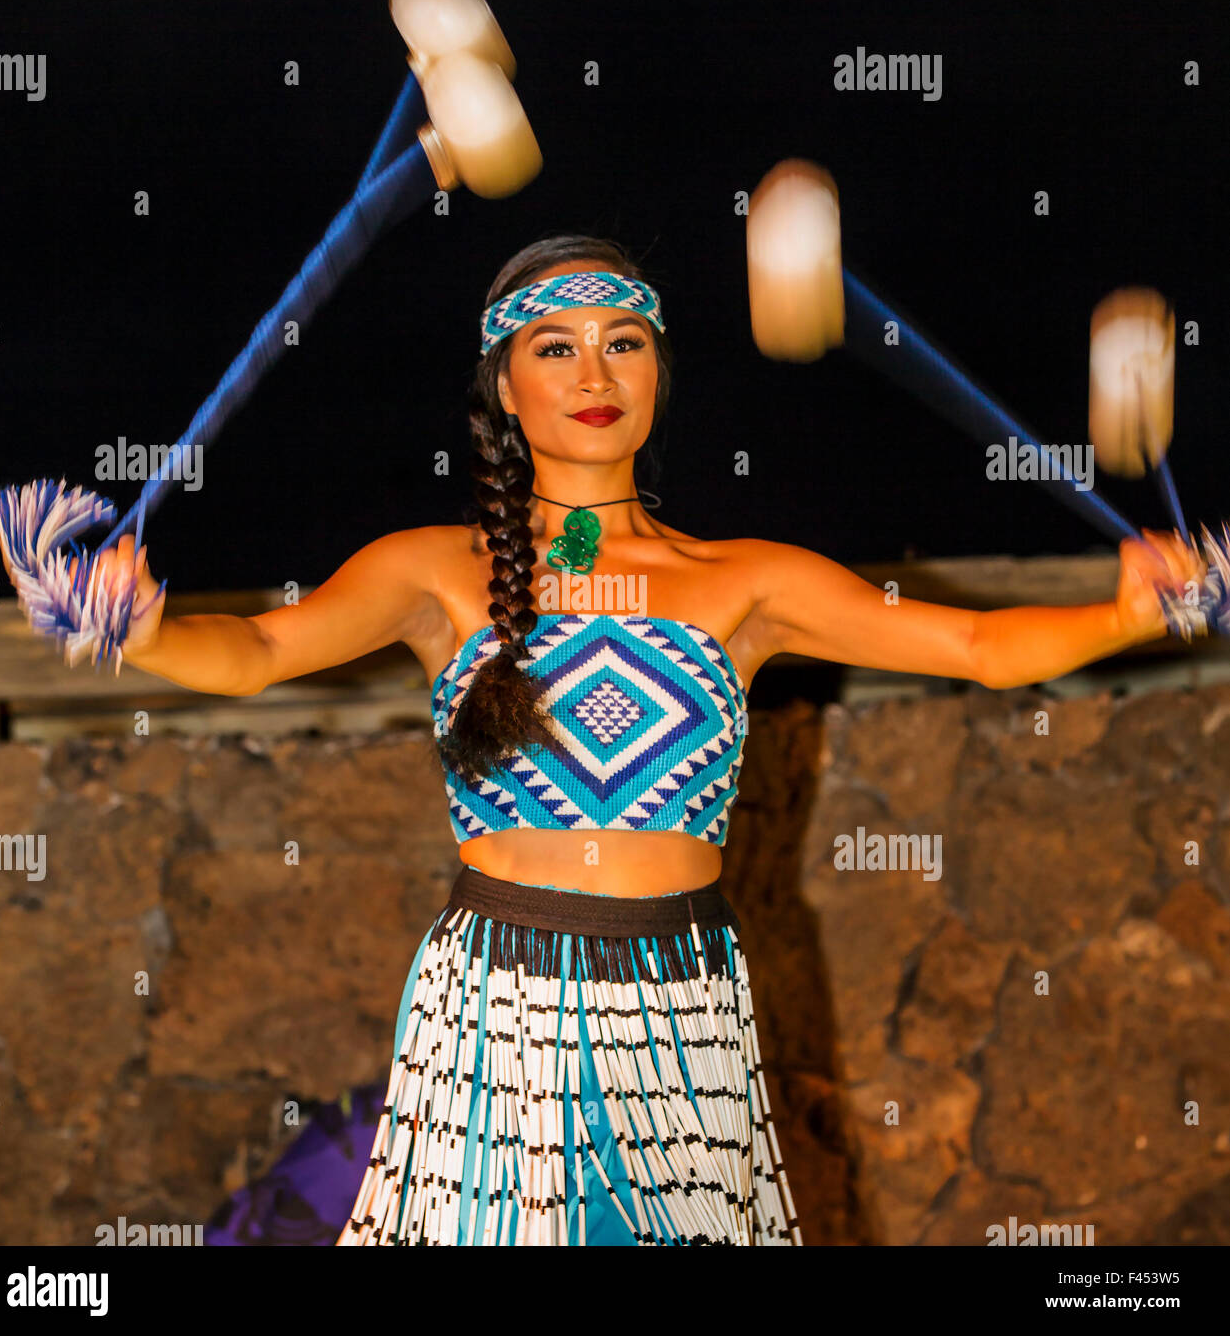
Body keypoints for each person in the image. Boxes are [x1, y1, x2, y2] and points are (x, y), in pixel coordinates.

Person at [63, 234, 1201, 1245]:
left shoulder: (749, 580)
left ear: (661, 371)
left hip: (682, 994)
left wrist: (1128, 611)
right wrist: (148, 630)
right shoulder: (433, 569)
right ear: (503, 388)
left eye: (623, 343)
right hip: (501, 999)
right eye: (553, 348)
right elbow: (257, 653)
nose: (594, 375)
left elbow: (977, 646)